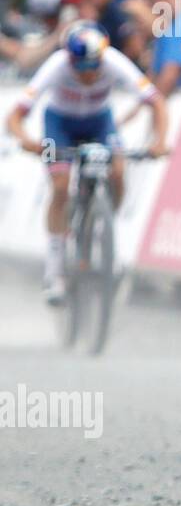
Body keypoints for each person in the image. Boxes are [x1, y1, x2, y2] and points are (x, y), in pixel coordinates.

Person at [5, 21, 169, 302]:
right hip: (60, 124)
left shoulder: (114, 61)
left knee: (118, 170)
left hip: (98, 122)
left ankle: (105, 228)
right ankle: (54, 271)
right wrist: (27, 140)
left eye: (95, 67)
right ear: (70, 59)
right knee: (60, 186)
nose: (90, 75)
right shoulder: (56, 65)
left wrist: (159, 141)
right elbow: (15, 115)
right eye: (82, 68)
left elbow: (156, 102)